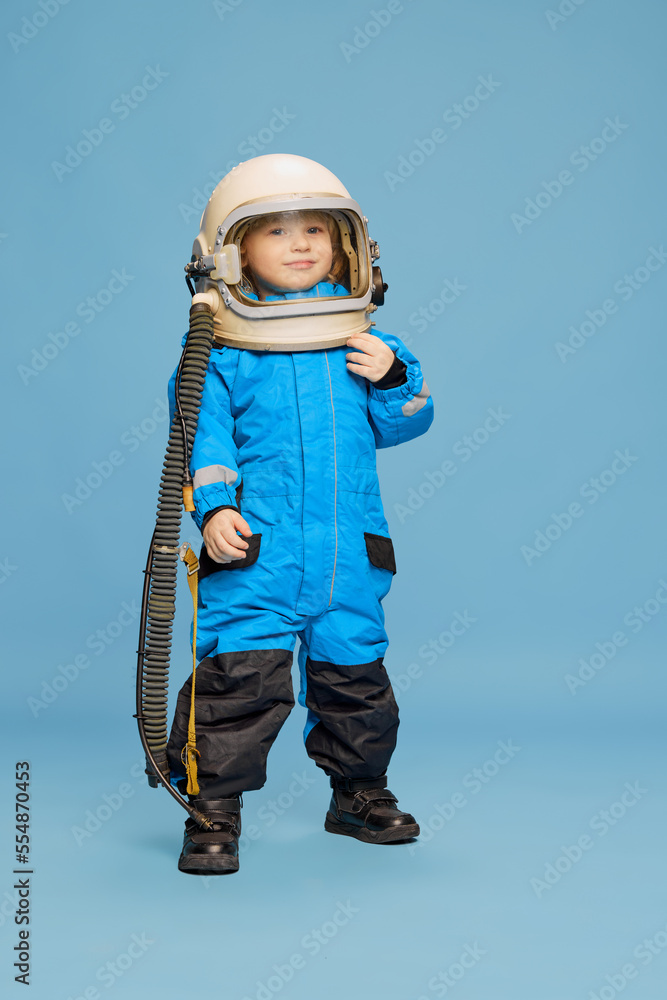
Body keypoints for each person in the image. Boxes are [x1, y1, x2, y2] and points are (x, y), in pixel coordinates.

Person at [165, 154, 434, 875]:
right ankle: (211, 807)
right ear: (230, 252)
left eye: (315, 228)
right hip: (258, 553)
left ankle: (359, 794)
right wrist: (215, 512)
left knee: (357, 682)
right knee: (239, 685)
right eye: (277, 231)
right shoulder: (219, 352)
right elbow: (201, 441)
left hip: (347, 555)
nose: (301, 243)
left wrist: (394, 376)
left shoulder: (365, 341)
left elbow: (407, 421)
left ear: (348, 242)